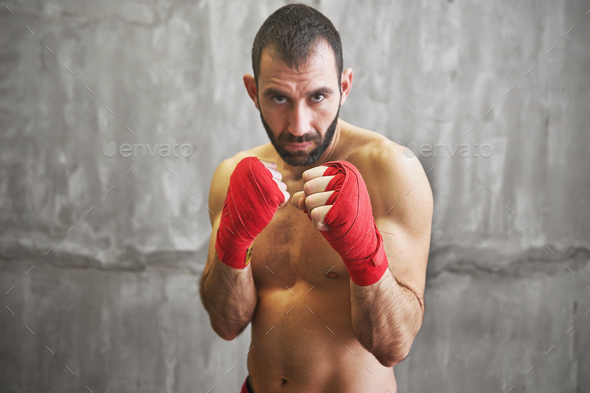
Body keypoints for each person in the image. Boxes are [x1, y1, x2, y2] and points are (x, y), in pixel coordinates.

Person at [199, 3, 433, 392]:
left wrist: (364, 252)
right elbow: (227, 324)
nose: (299, 125)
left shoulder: (392, 171)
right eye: (279, 99)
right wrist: (233, 243)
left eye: (318, 97)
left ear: (344, 87)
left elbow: (393, 345)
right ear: (253, 91)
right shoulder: (233, 176)